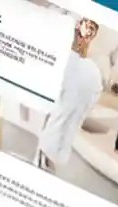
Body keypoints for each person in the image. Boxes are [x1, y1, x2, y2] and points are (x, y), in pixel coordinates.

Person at [36, 18, 102, 172]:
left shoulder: (86, 70)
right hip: (57, 142)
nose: (88, 33)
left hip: (54, 141)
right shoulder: (87, 70)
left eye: (92, 31)